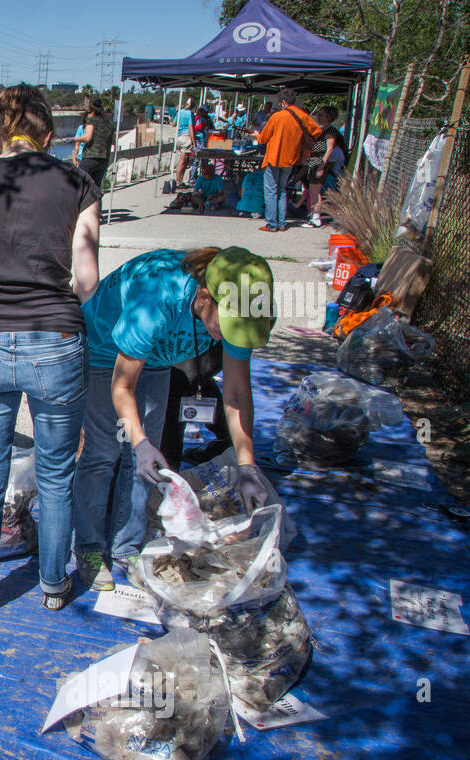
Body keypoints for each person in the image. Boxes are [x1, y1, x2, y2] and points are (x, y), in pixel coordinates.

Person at [0, 84, 101, 613]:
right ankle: (55, 585)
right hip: (55, 342)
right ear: (49, 136)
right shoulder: (78, 182)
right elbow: (86, 279)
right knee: (57, 473)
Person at [71, 247, 275, 590]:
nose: (228, 340)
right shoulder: (159, 296)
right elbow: (123, 386)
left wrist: (247, 466)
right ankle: (89, 547)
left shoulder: (242, 306)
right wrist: (139, 440)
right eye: (226, 328)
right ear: (205, 297)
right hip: (106, 354)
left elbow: (237, 394)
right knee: (104, 452)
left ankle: (128, 547)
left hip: (156, 361)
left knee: (146, 462)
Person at [256, 88, 322, 233]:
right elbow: (317, 133)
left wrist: (256, 134)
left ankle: (272, 224)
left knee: (271, 190)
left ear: (283, 102)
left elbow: (263, 138)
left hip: (273, 158)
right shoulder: (303, 116)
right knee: (282, 190)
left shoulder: (277, 117)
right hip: (291, 159)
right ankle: (282, 223)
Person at [300, 107, 343, 228]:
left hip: (319, 162)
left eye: (322, 115)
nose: (318, 117)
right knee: (313, 191)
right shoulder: (321, 129)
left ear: (329, 117)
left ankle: (316, 217)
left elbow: (329, 149)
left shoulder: (330, 131)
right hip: (314, 161)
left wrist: (322, 165)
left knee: (316, 191)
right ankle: (314, 215)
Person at [73, 99, 115, 190]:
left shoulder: (92, 121)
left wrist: (74, 139)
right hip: (104, 159)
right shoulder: (110, 124)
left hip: (90, 157)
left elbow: (87, 137)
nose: (87, 115)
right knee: (96, 189)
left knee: (79, 184)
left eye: (88, 112)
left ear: (92, 111)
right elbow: (113, 142)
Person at [172, 98, 195, 190]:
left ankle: (180, 181)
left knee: (183, 161)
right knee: (183, 162)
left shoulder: (179, 112)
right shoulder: (190, 114)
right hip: (187, 138)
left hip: (179, 137)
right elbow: (191, 128)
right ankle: (178, 181)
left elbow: (173, 124)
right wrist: (194, 142)